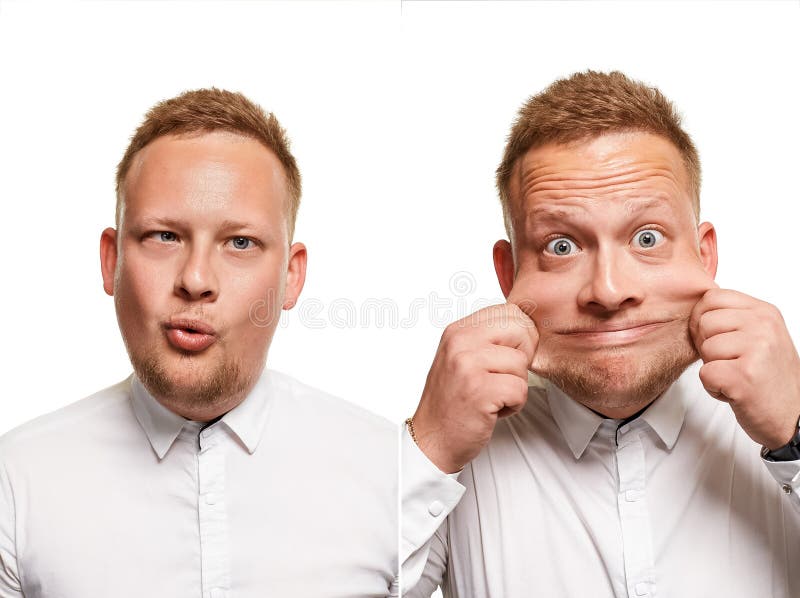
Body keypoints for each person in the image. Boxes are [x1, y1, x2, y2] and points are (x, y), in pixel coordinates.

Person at [401, 71, 800, 597]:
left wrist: (796, 434)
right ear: (507, 275)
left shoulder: (783, 416)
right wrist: (426, 451)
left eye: (647, 237)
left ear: (705, 256)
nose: (609, 292)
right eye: (561, 246)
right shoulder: (453, 457)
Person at [0, 88, 398, 598]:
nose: (195, 279)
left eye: (240, 243)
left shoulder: (392, 472)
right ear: (110, 261)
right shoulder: (17, 483)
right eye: (164, 236)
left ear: (292, 277)